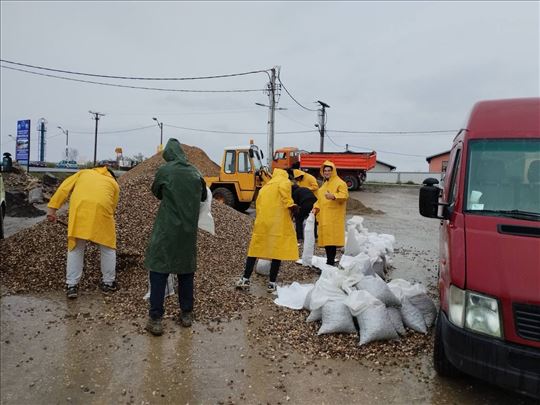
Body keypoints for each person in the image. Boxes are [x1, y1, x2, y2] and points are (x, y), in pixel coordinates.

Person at [144, 139, 207, 336]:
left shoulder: (166, 170)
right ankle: (186, 314)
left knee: (158, 270)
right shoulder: (195, 172)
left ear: (169, 155)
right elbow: (204, 196)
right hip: (188, 232)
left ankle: (155, 319)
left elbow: (156, 192)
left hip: (166, 229)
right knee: (186, 271)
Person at [47, 166, 120, 299]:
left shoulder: (83, 173)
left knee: (75, 247)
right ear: (111, 175)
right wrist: (97, 232)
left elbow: (64, 188)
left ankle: (72, 285)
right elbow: (112, 207)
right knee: (108, 248)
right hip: (102, 213)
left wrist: (52, 210)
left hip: (80, 212)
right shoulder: (114, 184)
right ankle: (108, 283)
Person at [235, 168, 298, 293]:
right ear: (286, 175)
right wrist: (291, 205)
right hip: (277, 223)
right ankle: (272, 283)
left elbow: (258, 206)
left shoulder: (265, 187)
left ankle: (245, 279)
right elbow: (285, 194)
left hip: (262, 224)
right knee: (276, 252)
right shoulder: (284, 182)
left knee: (255, 250)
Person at [311, 161, 349, 266]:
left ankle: (330, 263)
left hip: (334, 217)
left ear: (333, 171)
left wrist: (333, 196)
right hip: (324, 217)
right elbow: (320, 200)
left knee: (331, 241)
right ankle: (329, 262)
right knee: (328, 241)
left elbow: (344, 195)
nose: (327, 172)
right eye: (325, 171)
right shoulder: (325, 184)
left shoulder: (340, 183)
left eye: (329, 170)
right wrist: (315, 208)